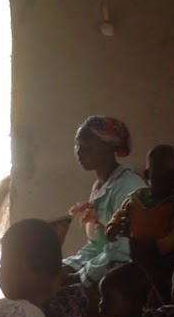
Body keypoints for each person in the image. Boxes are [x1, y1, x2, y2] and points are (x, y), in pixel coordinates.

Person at [61, 116, 148, 287]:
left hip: (126, 273)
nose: (79, 150)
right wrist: (71, 266)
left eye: (87, 145)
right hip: (108, 262)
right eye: (77, 143)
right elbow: (98, 244)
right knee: (56, 273)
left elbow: (121, 252)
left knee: (59, 295)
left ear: (109, 147)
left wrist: (80, 276)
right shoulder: (102, 185)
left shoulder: (128, 186)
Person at [106, 144, 174, 256]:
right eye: (163, 177)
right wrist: (113, 226)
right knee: (113, 274)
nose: (171, 182)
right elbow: (120, 213)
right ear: (148, 175)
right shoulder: (137, 197)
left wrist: (158, 247)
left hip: (162, 257)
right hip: (136, 253)